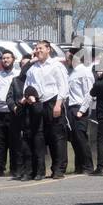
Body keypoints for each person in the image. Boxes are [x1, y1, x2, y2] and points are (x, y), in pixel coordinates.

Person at [23, 40, 70, 180]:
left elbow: (63, 86)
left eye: (40, 48)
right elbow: (28, 86)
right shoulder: (33, 69)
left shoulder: (56, 66)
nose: (38, 51)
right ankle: (40, 170)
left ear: (48, 49)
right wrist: (29, 97)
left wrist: (58, 104)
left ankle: (58, 169)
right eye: (36, 49)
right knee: (40, 137)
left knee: (57, 137)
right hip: (38, 104)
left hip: (53, 102)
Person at [64, 46, 95, 175]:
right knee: (75, 139)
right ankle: (79, 166)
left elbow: (90, 93)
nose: (66, 60)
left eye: (67, 57)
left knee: (81, 138)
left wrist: (82, 110)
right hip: (71, 109)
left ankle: (88, 166)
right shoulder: (72, 72)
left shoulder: (85, 71)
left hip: (79, 108)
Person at [7, 55, 34, 179]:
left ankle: (31, 170)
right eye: (23, 64)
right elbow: (9, 98)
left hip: (32, 116)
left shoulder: (34, 79)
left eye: (27, 64)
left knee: (30, 145)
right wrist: (14, 107)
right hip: (18, 116)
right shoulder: (15, 80)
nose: (25, 67)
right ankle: (18, 170)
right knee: (18, 145)